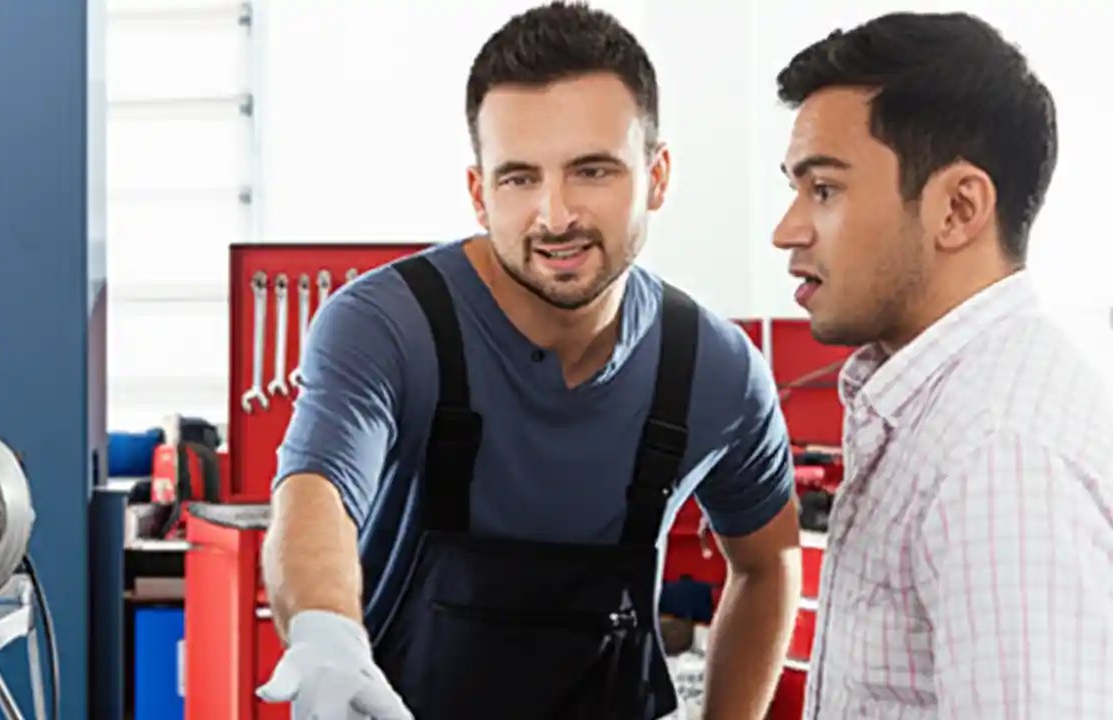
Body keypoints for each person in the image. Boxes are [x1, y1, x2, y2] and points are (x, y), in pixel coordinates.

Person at [258, 3, 802, 719]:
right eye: (519, 178)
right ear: (480, 193)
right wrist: (327, 634)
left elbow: (768, 563)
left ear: (657, 175)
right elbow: (316, 493)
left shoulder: (717, 370)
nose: (555, 215)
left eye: (592, 171)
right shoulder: (387, 326)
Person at [772, 11, 1113, 719]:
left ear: (958, 209)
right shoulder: (943, 407)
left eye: (824, 189)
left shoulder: (999, 458)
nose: (787, 229)